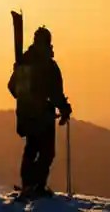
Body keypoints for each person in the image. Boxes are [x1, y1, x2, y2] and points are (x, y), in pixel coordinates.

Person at [8, 26, 72, 198]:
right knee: (46, 152)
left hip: (26, 115)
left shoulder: (24, 62)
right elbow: (55, 92)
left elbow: (12, 88)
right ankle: (37, 186)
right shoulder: (47, 65)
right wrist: (64, 109)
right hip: (43, 116)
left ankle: (28, 184)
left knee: (31, 148)